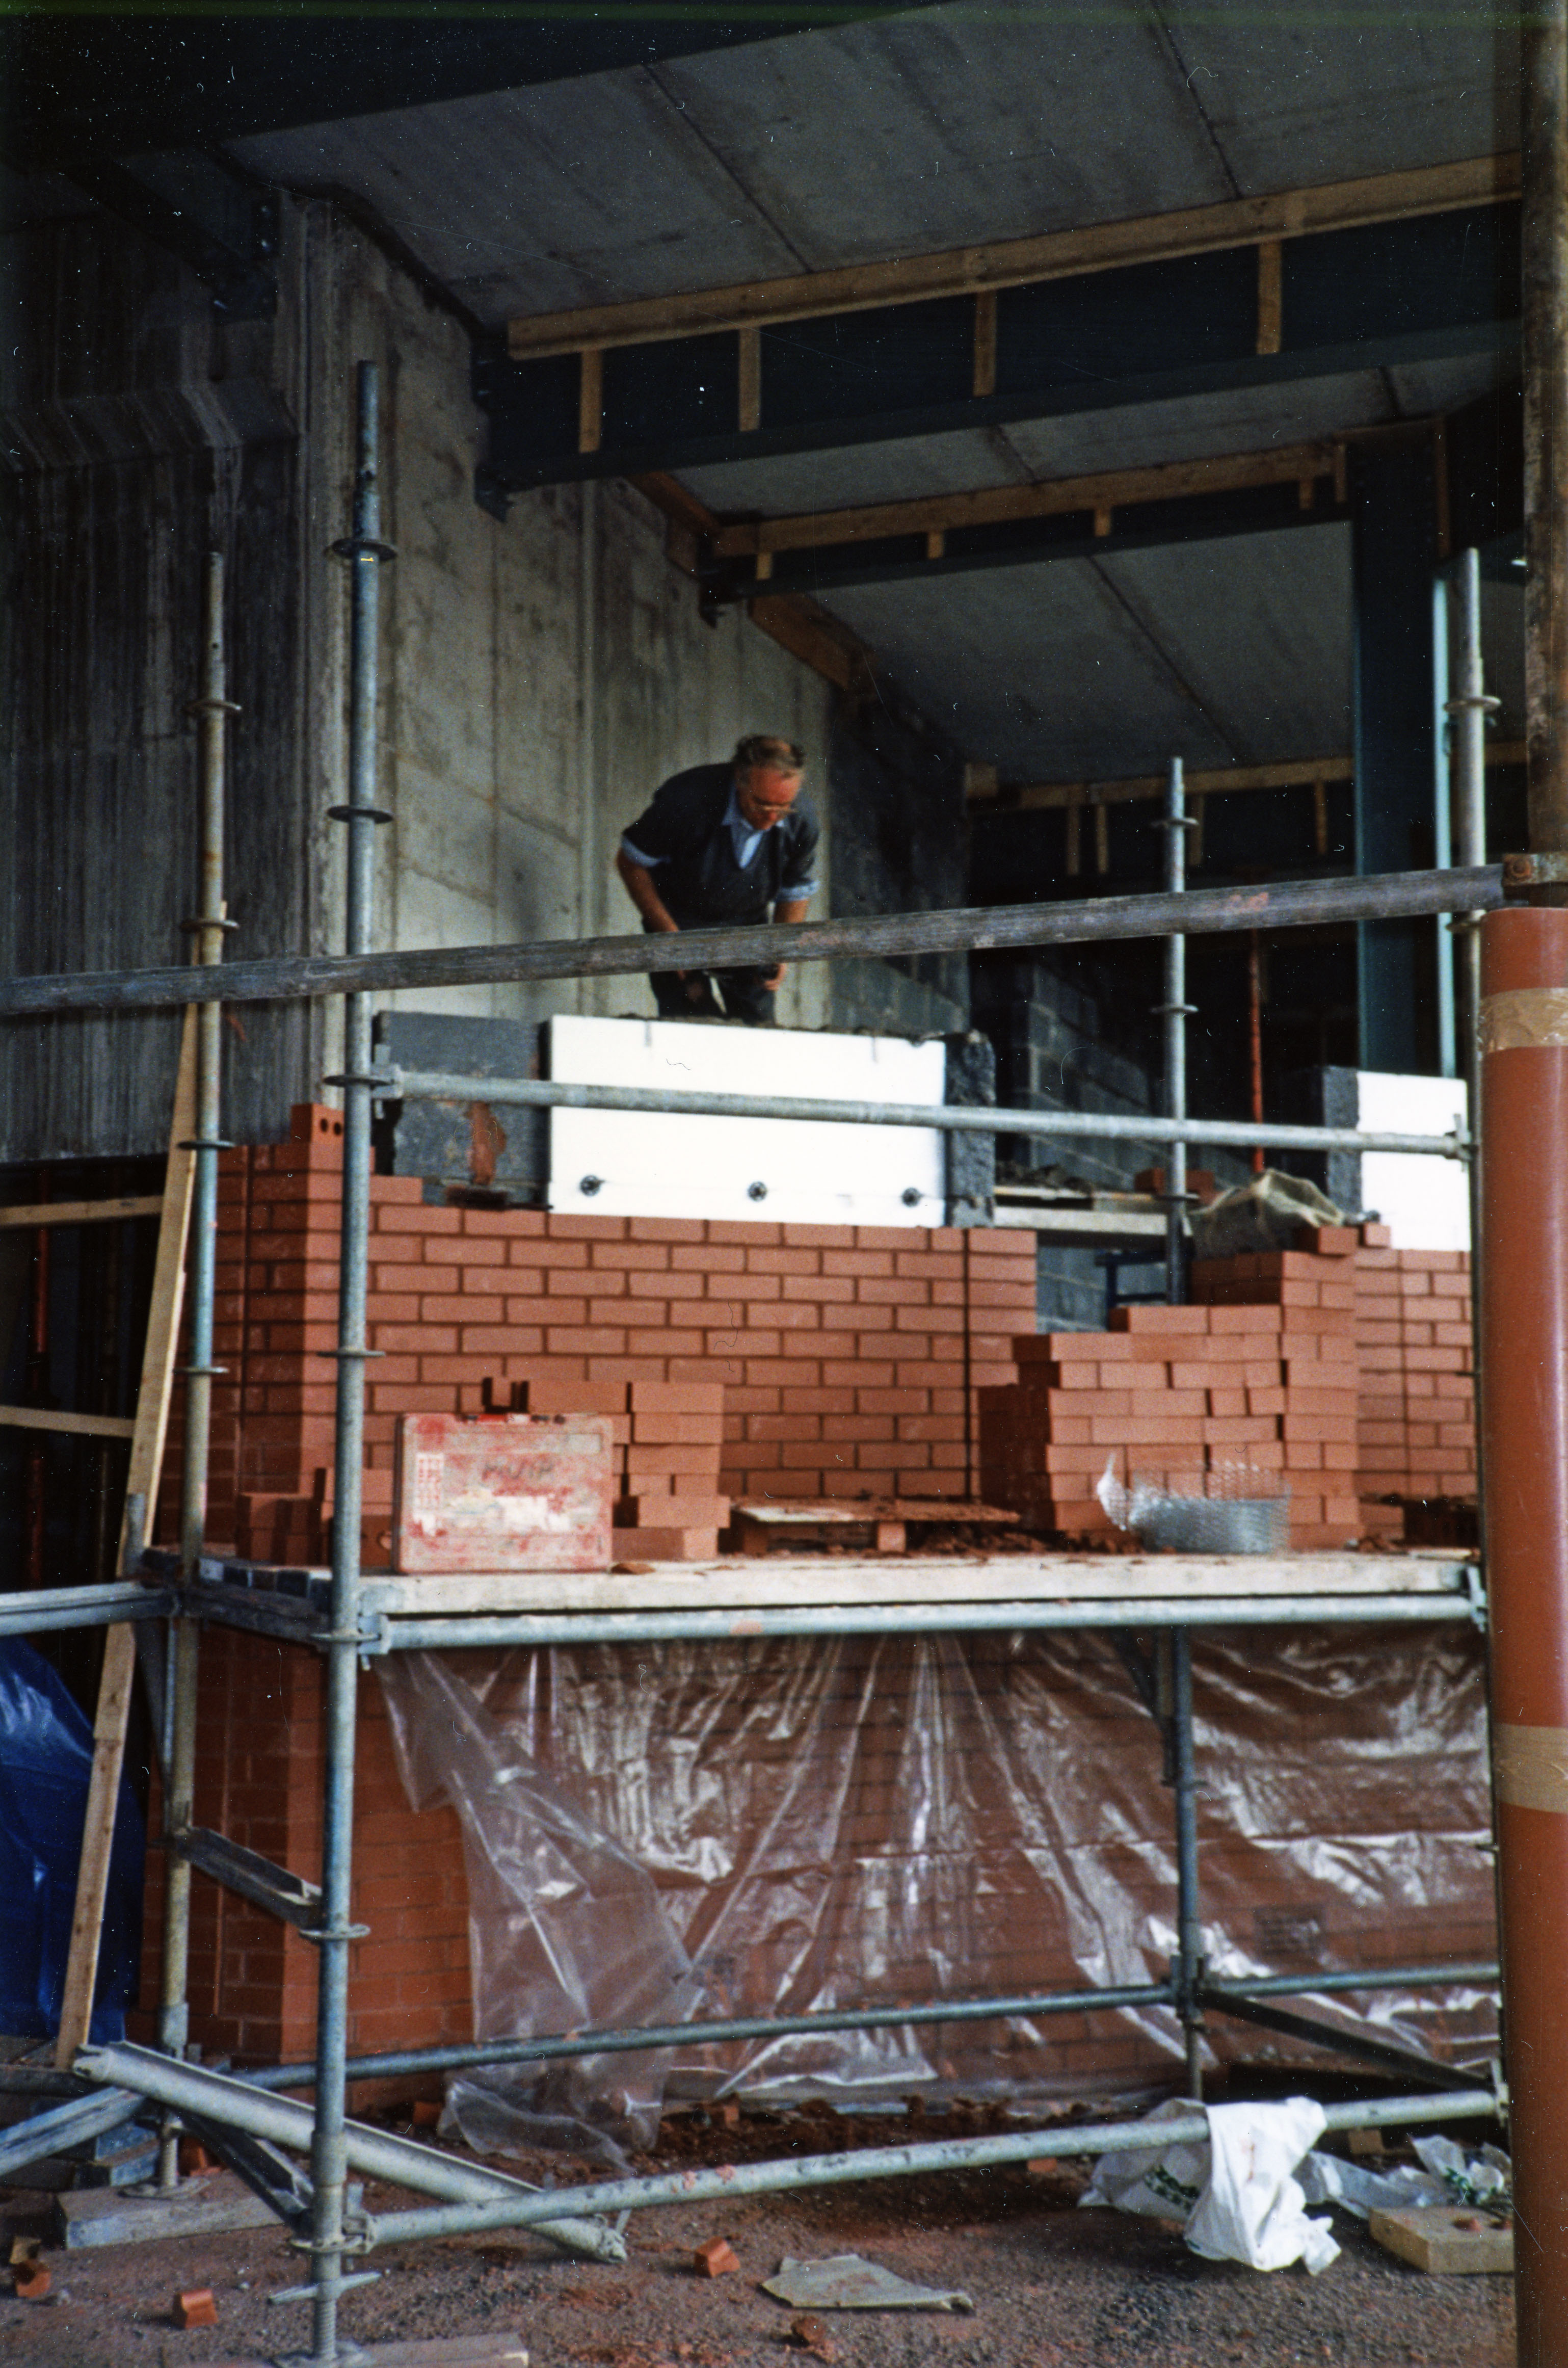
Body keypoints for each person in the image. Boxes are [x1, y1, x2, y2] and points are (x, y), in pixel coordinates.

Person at [614, 734, 820, 1024]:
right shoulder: (685, 799)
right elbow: (631, 863)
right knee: (692, 1027)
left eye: (783, 808)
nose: (772, 818)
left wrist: (781, 951)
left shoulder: (802, 818)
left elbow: (795, 889)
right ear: (740, 779)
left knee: (758, 1031)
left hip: (749, 928)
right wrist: (671, 941)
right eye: (761, 806)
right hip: (678, 922)